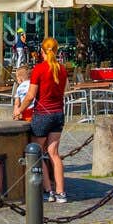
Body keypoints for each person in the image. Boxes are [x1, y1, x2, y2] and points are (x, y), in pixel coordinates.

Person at [21, 37, 69, 203]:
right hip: (58, 114)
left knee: (37, 153)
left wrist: (19, 110)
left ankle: (49, 190)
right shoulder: (62, 69)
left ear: (42, 51)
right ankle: (61, 192)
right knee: (54, 154)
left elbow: (30, 96)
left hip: (42, 115)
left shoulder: (39, 69)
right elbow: (64, 91)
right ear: (56, 51)